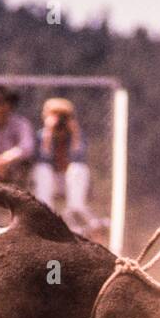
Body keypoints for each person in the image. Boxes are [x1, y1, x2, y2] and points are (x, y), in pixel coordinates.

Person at [32, 97, 94, 231]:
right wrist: (48, 134)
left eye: (63, 116)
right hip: (50, 180)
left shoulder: (77, 136)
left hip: (69, 179)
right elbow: (42, 158)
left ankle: (75, 209)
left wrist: (75, 135)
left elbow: (79, 157)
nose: (60, 120)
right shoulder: (41, 136)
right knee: (42, 169)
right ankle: (45, 209)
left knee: (78, 168)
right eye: (55, 115)